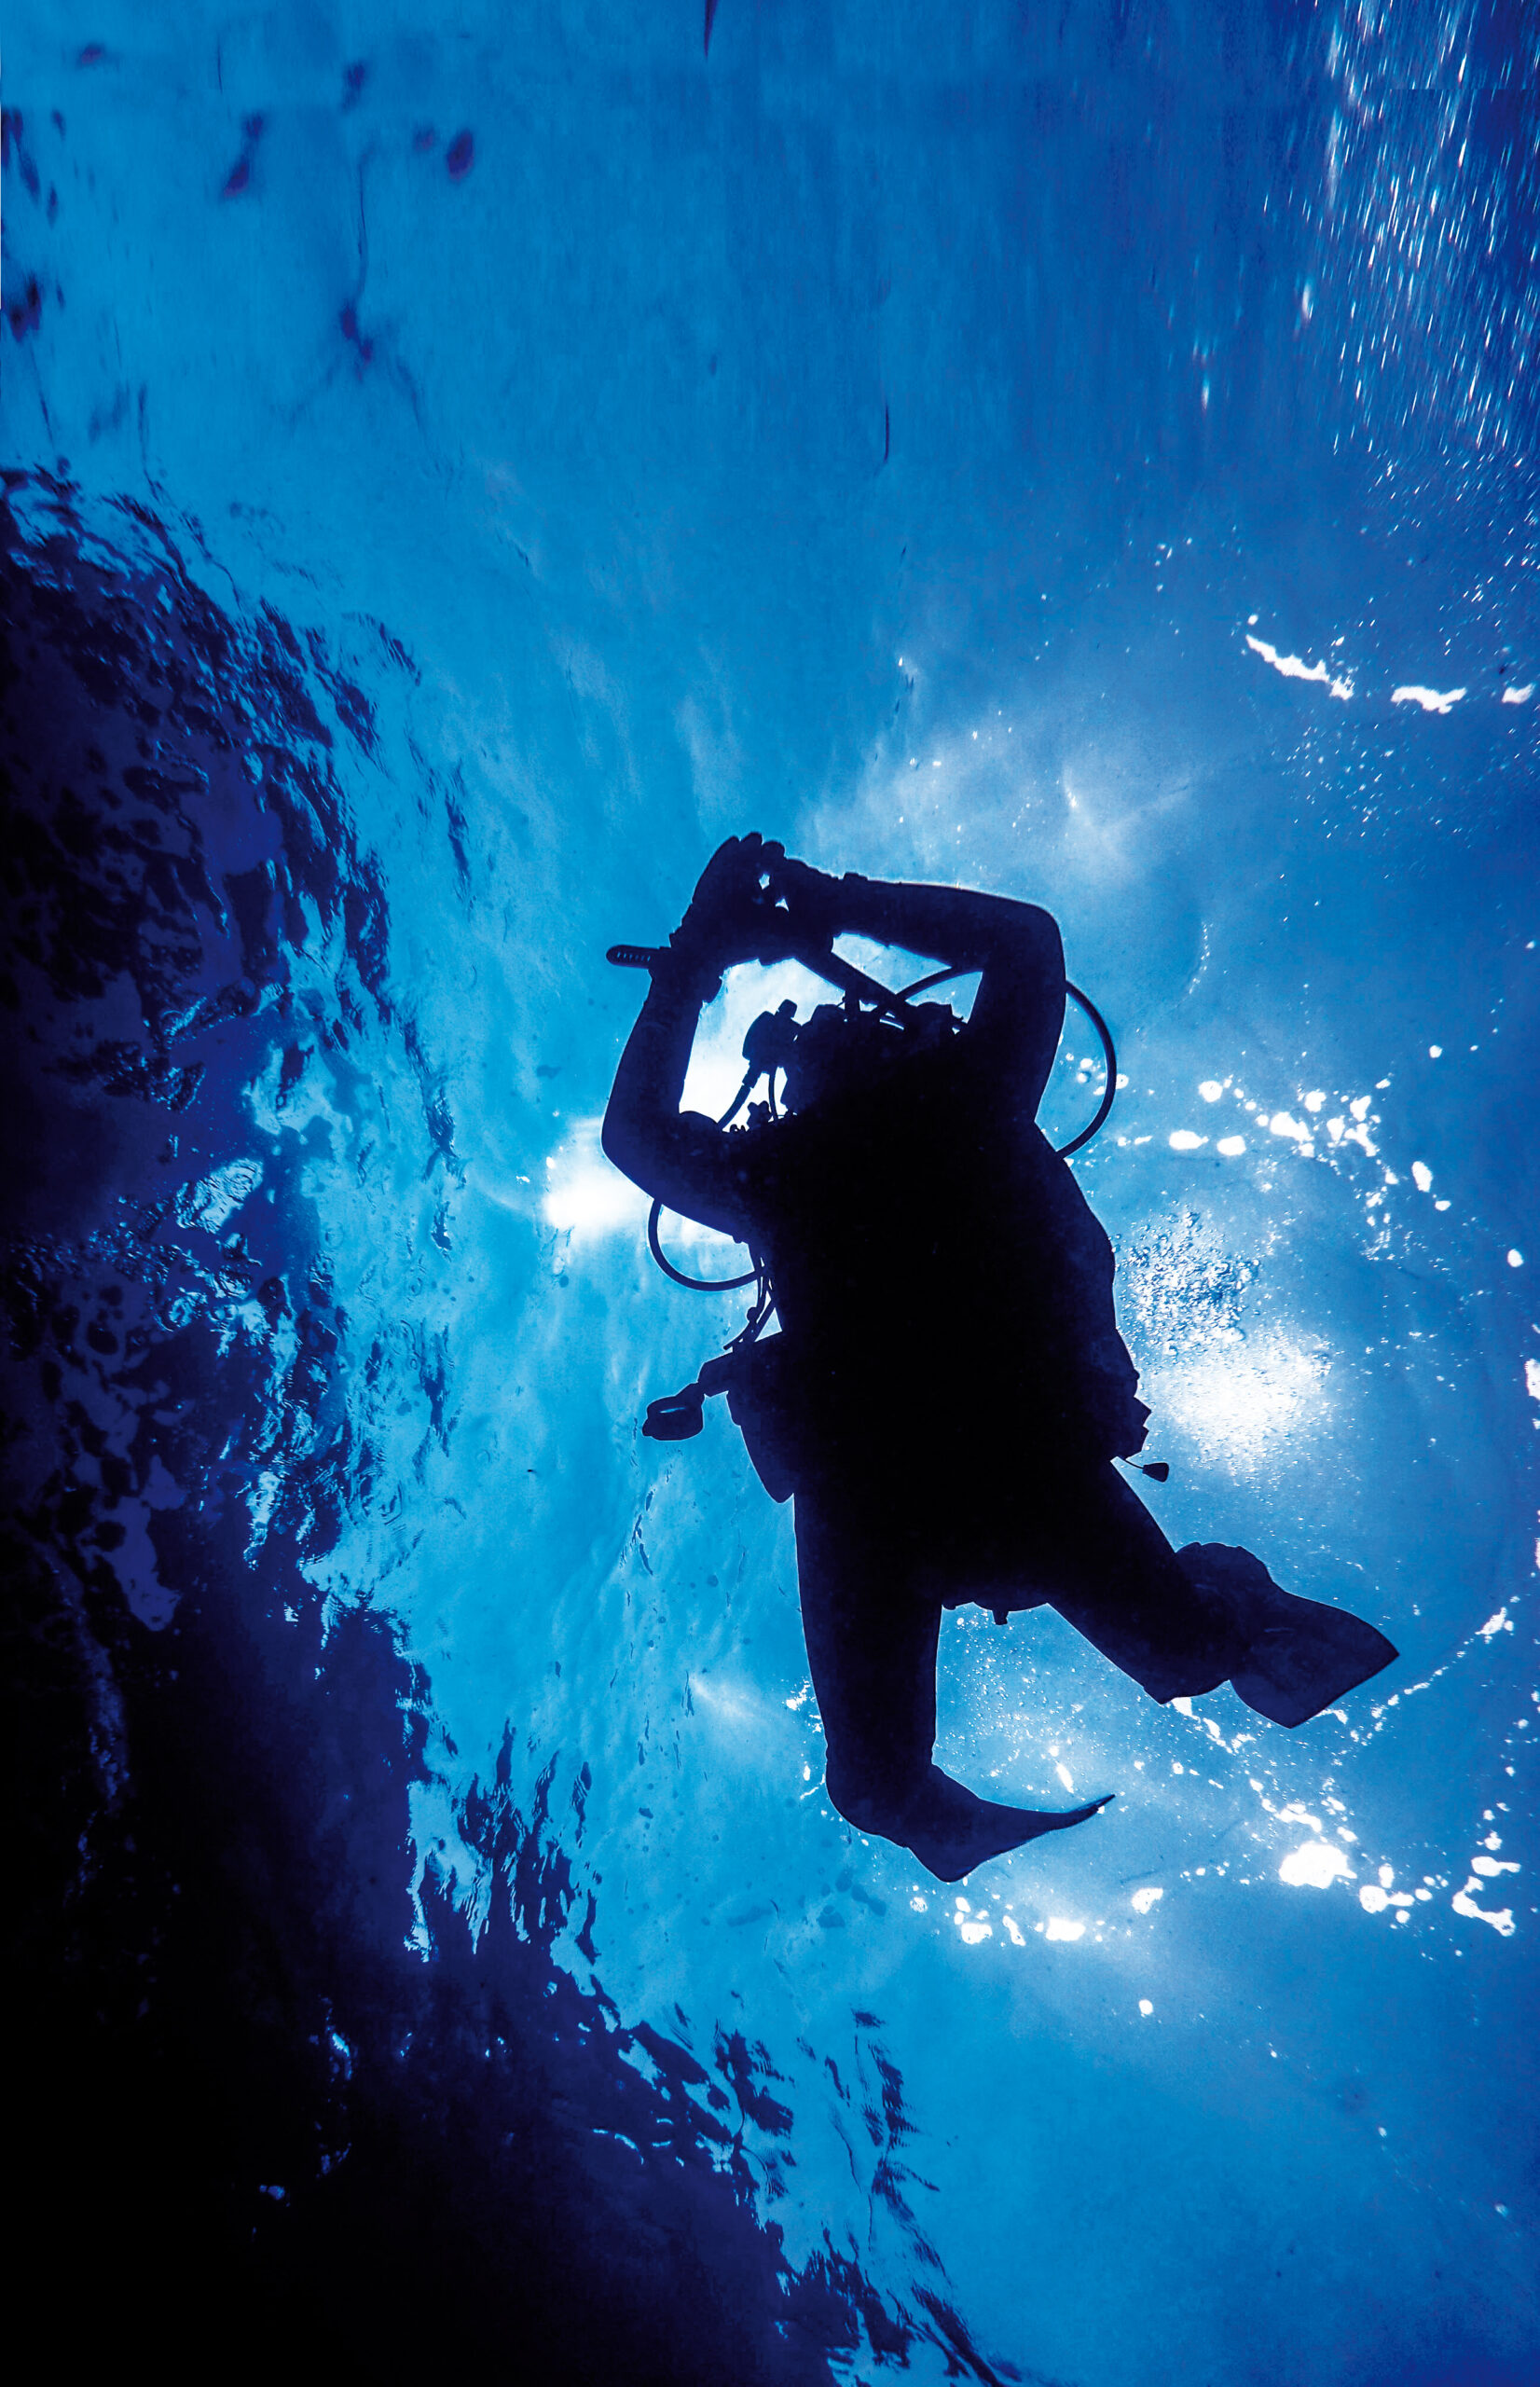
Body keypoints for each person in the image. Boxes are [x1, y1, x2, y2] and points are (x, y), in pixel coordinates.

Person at [602, 835, 1396, 1881]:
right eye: (811, 1048)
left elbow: (1027, 944)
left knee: (1190, 1656)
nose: (821, 1049)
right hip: (892, 1484)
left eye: (836, 1032)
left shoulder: (946, 1104)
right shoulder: (802, 1164)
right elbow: (638, 1140)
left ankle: (1230, 1605)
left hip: (1006, 1453)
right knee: (874, 1785)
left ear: (896, 1038)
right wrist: (733, 937)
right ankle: (1204, 1627)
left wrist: (773, 922)